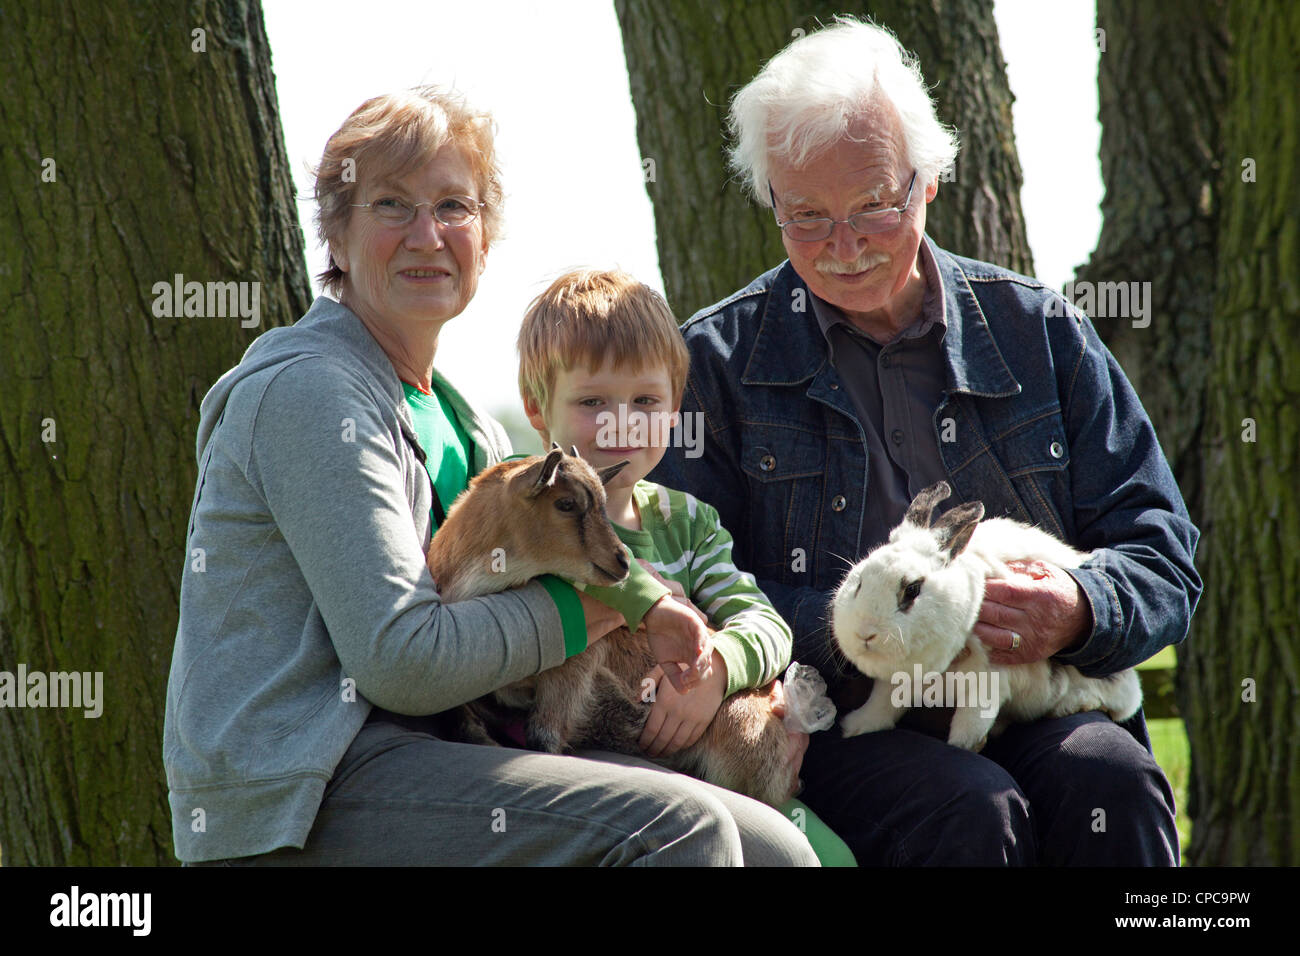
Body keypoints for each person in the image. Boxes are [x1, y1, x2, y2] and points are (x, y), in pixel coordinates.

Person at [163, 86, 817, 866]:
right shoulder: (311, 393)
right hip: (310, 782)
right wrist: (599, 610)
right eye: (391, 206)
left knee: (777, 850)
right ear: (335, 234)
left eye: (454, 207)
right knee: (682, 833)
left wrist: (725, 669)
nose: (427, 235)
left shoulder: (462, 421)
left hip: (452, 744)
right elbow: (402, 660)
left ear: (485, 234)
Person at [650, 18, 1202, 865]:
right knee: (969, 809)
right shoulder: (714, 365)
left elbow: (1161, 549)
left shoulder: (1039, 331)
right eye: (806, 217)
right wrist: (860, 632)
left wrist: (1081, 608)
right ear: (771, 202)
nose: (844, 247)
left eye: (873, 205)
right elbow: (685, 585)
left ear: (928, 180)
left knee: (1112, 780)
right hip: (845, 721)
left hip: (1029, 698)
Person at [517, 267, 854, 865]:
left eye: (645, 401)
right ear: (537, 407)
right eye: (593, 402)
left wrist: (719, 669)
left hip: (704, 755)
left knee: (829, 856)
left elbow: (766, 625)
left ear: (675, 412)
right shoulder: (530, 516)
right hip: (581, 754)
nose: (622, 424)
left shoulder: (687, 523)